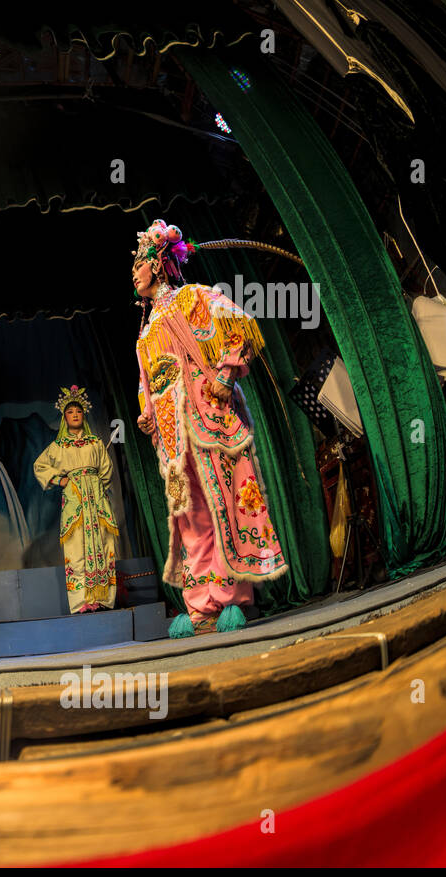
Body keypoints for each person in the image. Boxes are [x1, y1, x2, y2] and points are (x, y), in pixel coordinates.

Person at [131, 218, 287, 636]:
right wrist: (147, 411)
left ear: (158, 264)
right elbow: (148, 383)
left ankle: (233, 601)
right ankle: (201, 608)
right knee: (191, 518)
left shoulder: (194, 298)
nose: (133, 272)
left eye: (138, 262)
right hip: (172, 436)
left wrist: (226, 373)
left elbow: (239, 326)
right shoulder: (144, 335)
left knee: (223, 504)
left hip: (208, 418)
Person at [33, 385, 119, 613]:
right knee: (76, 550)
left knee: (103, 545)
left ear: (84, 415)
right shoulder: (59, 446)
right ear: (65, 417)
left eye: (78, 412)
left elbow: (106, 471)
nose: (75, 415)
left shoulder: (95, 443)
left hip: (97, 501)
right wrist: (61, 481)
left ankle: (103, 598)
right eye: (70, 412)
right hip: (75, 502)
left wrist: (98, 490)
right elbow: (39, 466)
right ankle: (82, 601)